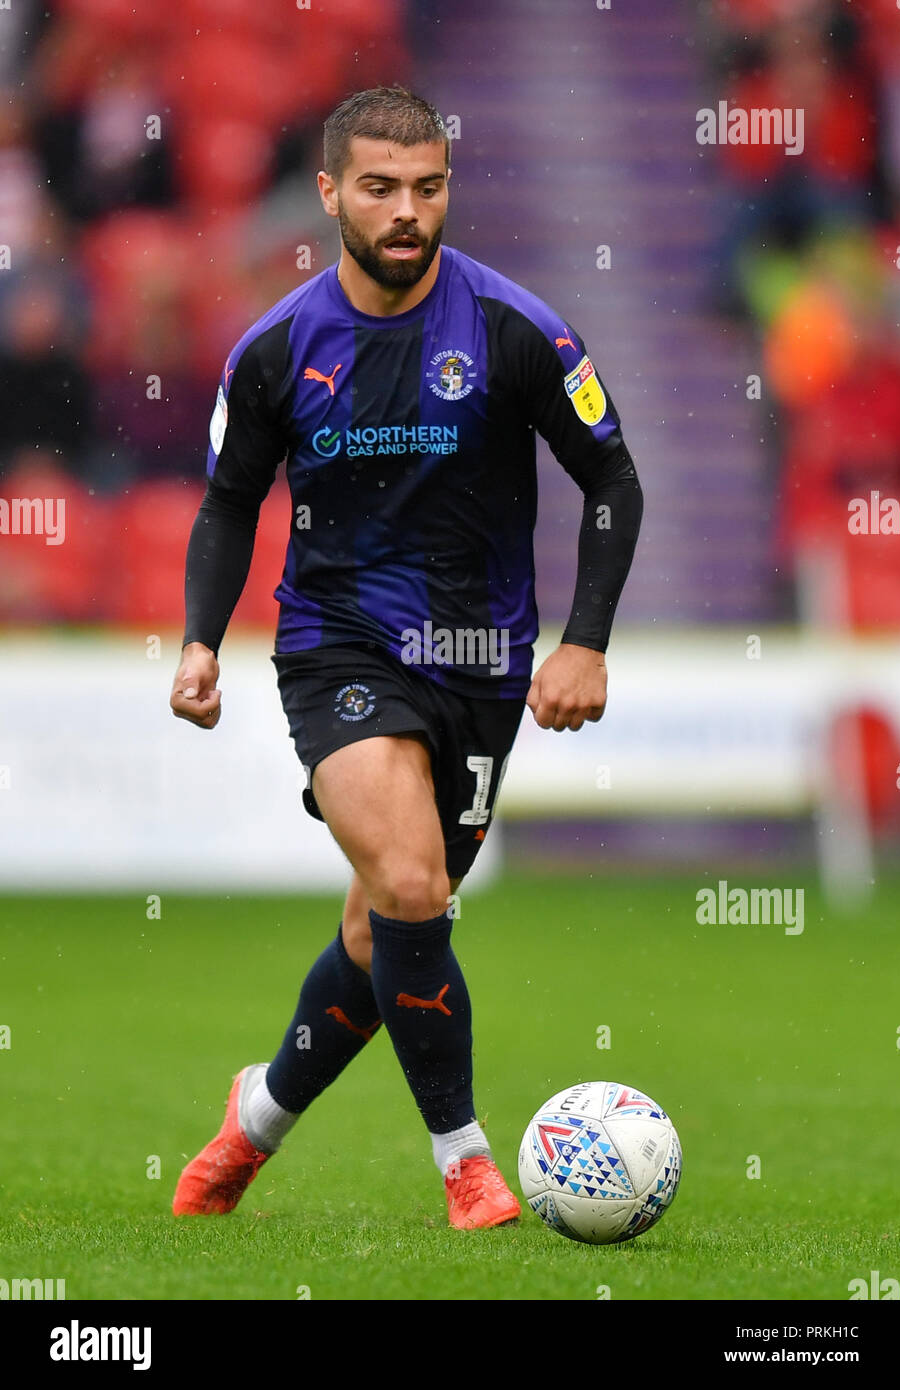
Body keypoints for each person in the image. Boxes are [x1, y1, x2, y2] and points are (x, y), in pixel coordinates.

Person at [169, 85, 643, 1230]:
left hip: (483, 662)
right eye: (380, 189)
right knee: (416, 886)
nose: (406, 212)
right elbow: (230, 502)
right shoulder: (277, 351)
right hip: (338, 642)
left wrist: (583, 642)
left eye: (427, 188)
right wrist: (198, 638)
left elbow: (613, 483)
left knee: (387, 924)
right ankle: (467, 1160)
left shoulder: (517, 328)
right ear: (330, 192)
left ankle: (255, 1122)